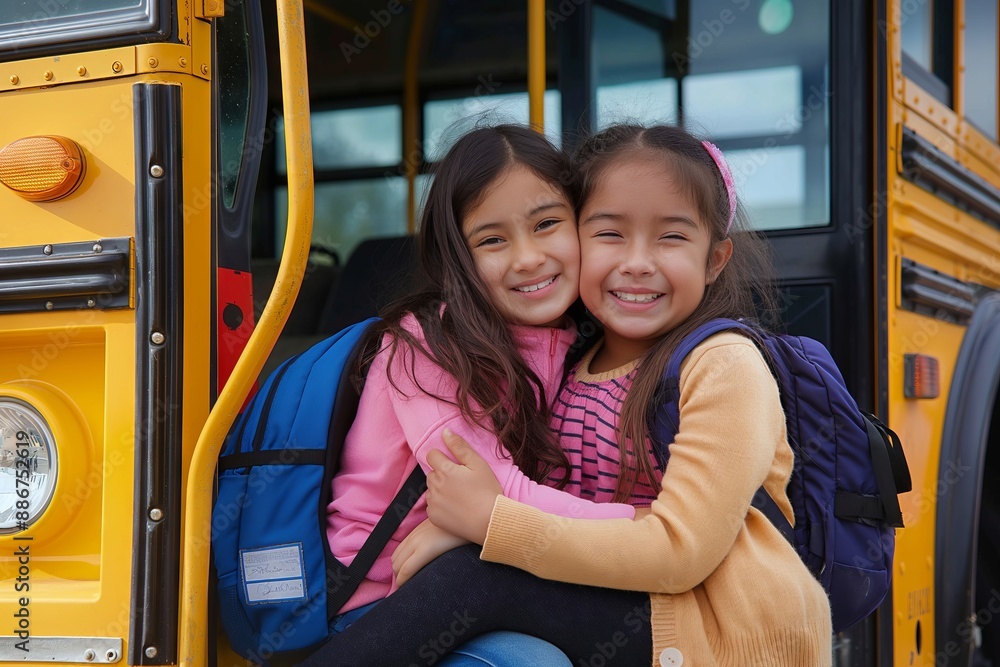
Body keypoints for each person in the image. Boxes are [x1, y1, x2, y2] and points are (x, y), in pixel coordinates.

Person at [298, 124, 834, 666]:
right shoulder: (575, 358)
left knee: (472, 581)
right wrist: (480, 532)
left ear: (715, 259)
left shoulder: (723, 365)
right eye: (610, 234)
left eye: (671, 236)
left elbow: (678, 548)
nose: (638, 262)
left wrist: (487, 530)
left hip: (720, 629)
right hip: (637, 599)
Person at [314, 124, 642, 667]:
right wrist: (650, 529)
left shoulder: (570, 340)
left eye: (547, 224)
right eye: (493, 240)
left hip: (474, 564)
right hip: (381, 600)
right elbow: (492, 490)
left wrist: (468, 533)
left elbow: (499, 504)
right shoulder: (427, 345)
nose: (528, 257)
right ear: (457, 258)